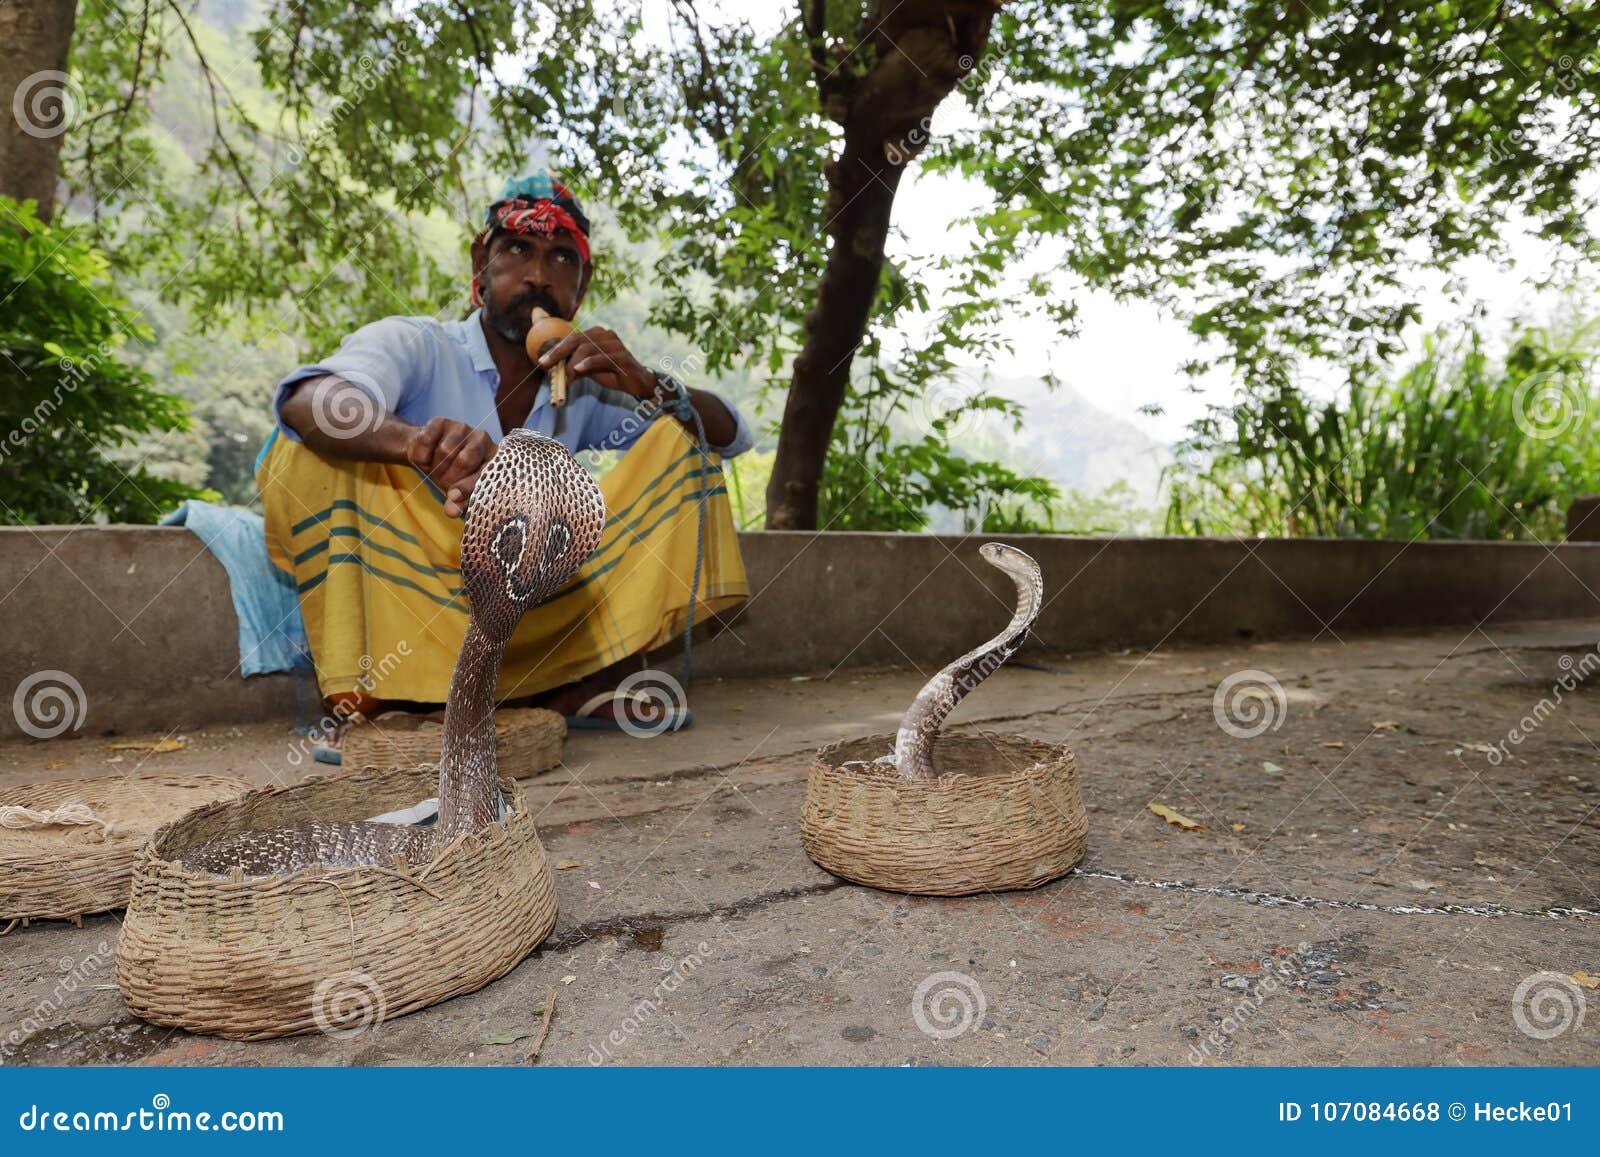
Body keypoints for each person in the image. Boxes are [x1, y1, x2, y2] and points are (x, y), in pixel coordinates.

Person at [255, 173, 752, 733]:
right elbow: (308, 400)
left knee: (682, 433)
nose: (539, 276)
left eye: (563, 259)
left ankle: (568, 680)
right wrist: (415, 446)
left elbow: (730, 434)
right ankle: (381, 693)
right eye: (518, 250)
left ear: (581, 291)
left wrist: (648, 386)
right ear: (480, 267)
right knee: (311, 449)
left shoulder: (588, 382)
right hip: (419, 605)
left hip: (527, 606)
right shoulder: (419, 344)